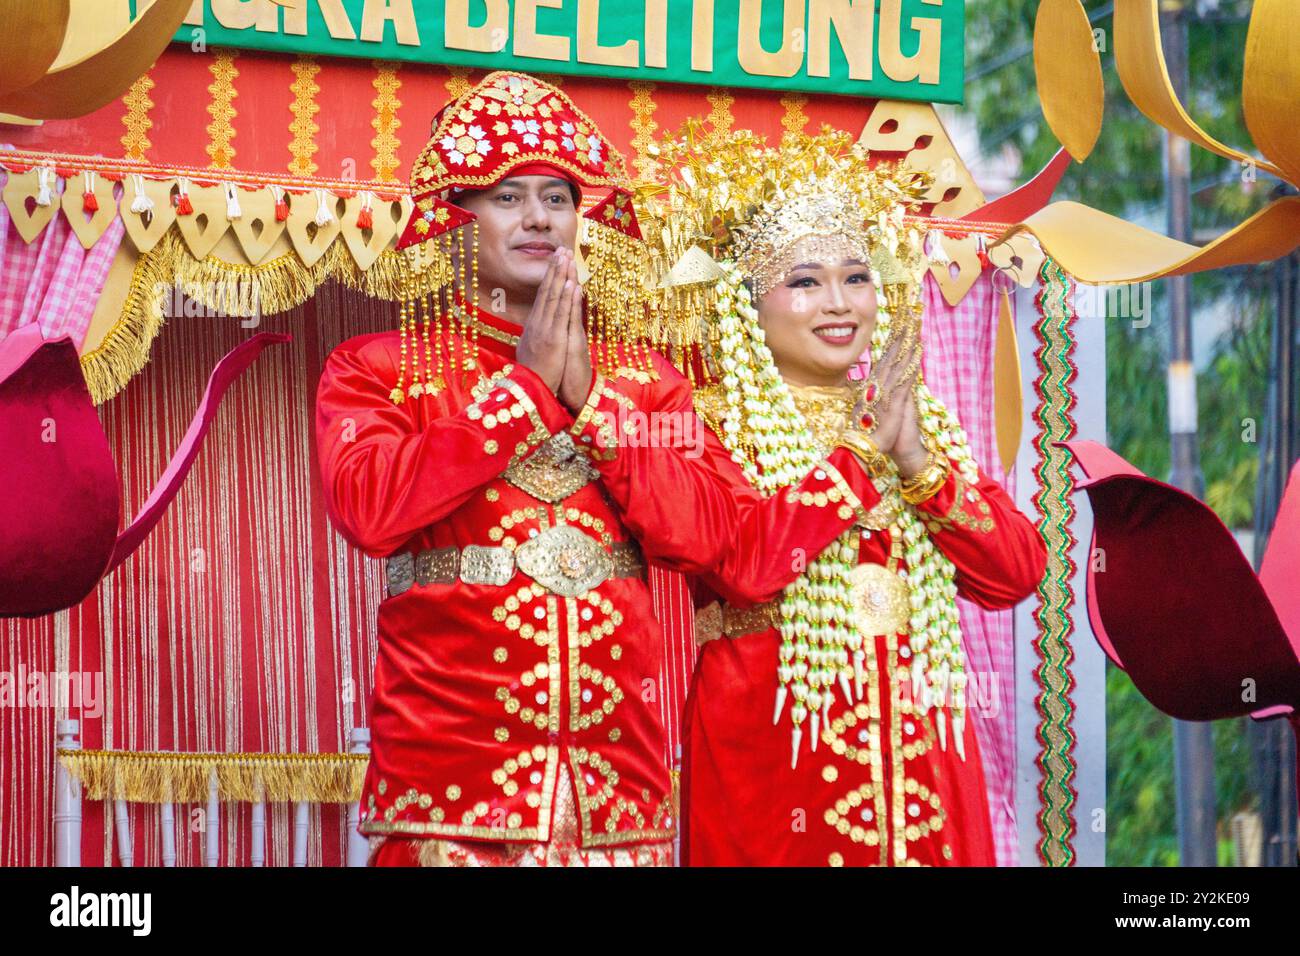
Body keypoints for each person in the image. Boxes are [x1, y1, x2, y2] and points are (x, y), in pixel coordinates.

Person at [314, 71, 706, 866]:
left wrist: (589, 398)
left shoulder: (648, 378)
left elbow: (696, 533)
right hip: (451, 792)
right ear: (454, 222)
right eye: (507, 196)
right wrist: (525, 390)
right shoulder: (377, 369)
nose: (538, 218)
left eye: (558, 198)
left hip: (615, 798)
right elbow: (369, 510)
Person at [635, 126, 1048, 866]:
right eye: (805, 281)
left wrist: (920, 463)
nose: (839, 303)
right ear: (744, 302)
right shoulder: (708, 423)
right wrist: (860, 456)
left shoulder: (920, 423)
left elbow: (1016, 570)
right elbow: (742, 567)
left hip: (924, 758)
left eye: (856, 277)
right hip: (776, 754)